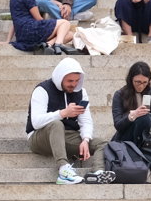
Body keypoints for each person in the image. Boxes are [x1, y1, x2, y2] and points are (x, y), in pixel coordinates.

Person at [25, 56, 98, 184]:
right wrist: (63, 113)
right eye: (70, 80)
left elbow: (86, 121)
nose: (73, 84)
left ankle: (99, 174)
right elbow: (36, 122)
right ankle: (64, 170)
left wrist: (86, 140)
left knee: (101, 143)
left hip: (66, 137)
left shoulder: (81, 92)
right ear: (60, 78)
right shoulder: (42, 90)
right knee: (56, 124)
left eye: (77, 80)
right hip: (40, 137)